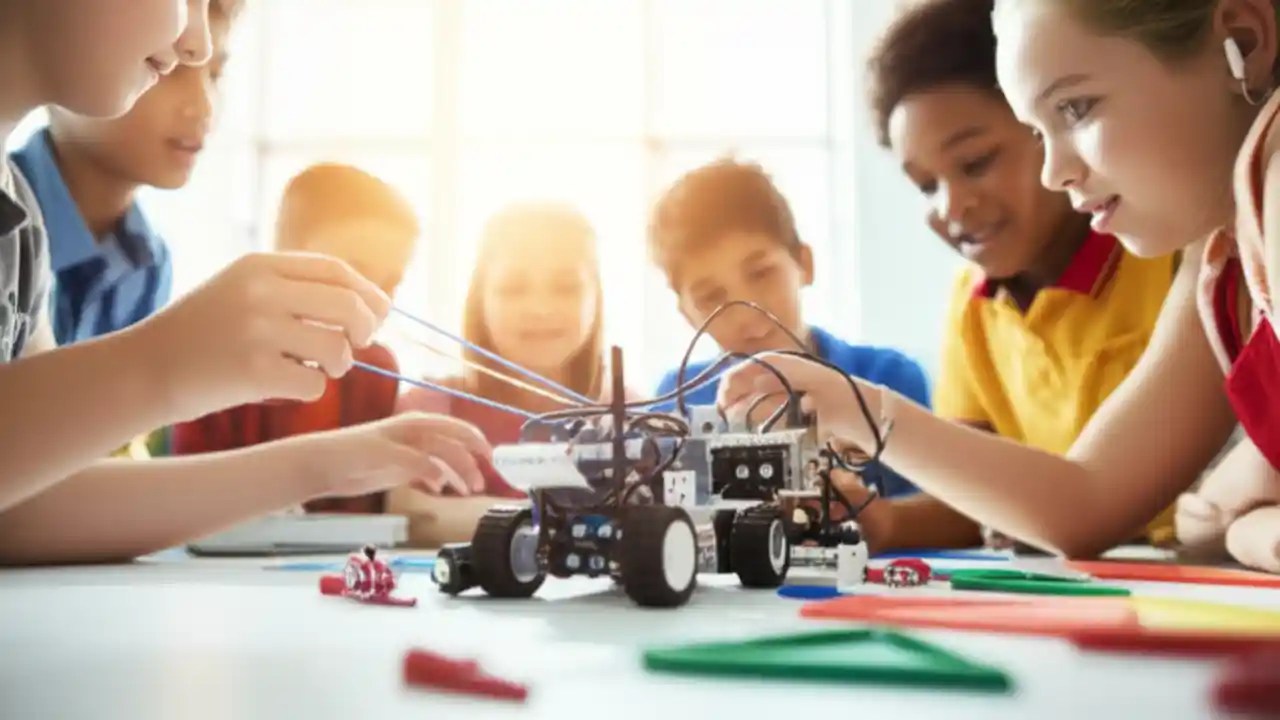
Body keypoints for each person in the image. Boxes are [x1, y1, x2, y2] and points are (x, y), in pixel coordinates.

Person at [718, 0, 1280, 571]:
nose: (1054, 172)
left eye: (1076, 108)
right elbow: (1086, 501)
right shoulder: (1218, 249)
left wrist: (1244, 524)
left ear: (1245, 40)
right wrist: (854, 407)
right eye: (1040, 130)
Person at [0, 0, 488, 565]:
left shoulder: (22, 222)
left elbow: (25, 498)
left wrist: (323, 465)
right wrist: (165, 361)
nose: (196, 42)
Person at [835, 0, 1179, 553]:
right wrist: (882, 521)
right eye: (926, 186)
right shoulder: (971, 306)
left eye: (975, 163)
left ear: (1056, 127)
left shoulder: (1163, 250)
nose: (952, 207)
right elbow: (970, 496)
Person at [648, 158, 930, 500]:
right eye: (711, 297)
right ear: (687, 315)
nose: (746, 312)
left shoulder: (889, 379)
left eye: (761, 274)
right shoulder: (675, 403)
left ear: (804, 264)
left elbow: (940, 514)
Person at [171, 162, 421, 514]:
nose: (376, 299)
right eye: (356, 271)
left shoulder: (376, 371)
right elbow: (186, 498)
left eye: (392, 283)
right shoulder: (218, 364)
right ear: (288, 254)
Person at [393, 202, 624, 544]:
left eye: (567, 287)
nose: (541, 308)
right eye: (513, 289)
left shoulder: (632, 414)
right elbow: (411, 515)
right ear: (480, 301)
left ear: (597, 299)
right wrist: (567, 520)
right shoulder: (430, 408)